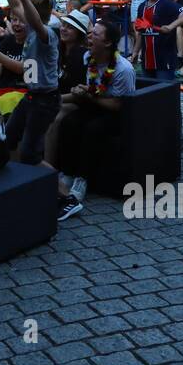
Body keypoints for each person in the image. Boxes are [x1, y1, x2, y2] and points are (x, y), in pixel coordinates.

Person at [45, 19, 138, 221]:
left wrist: (89, 96)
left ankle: (82, 179)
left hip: (117, 115)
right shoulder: (89, 58)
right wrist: (82, 92)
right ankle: (66, 174)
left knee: (93, 129)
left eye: (95, 35)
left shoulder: (123, 69)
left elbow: (119, 106)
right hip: (92, 105)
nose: (89, 37)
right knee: (69, 122)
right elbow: (91, 89)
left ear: (107, 43)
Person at [0, 0, 59, 169]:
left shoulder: (46, 34)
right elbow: (14, 6)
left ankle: (65, 196)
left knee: (30, 154)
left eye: (26, 10)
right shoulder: (32, 31)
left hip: (45, 100)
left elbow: (27, 12)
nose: (20, 14)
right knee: (7, 139)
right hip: (31, 96)